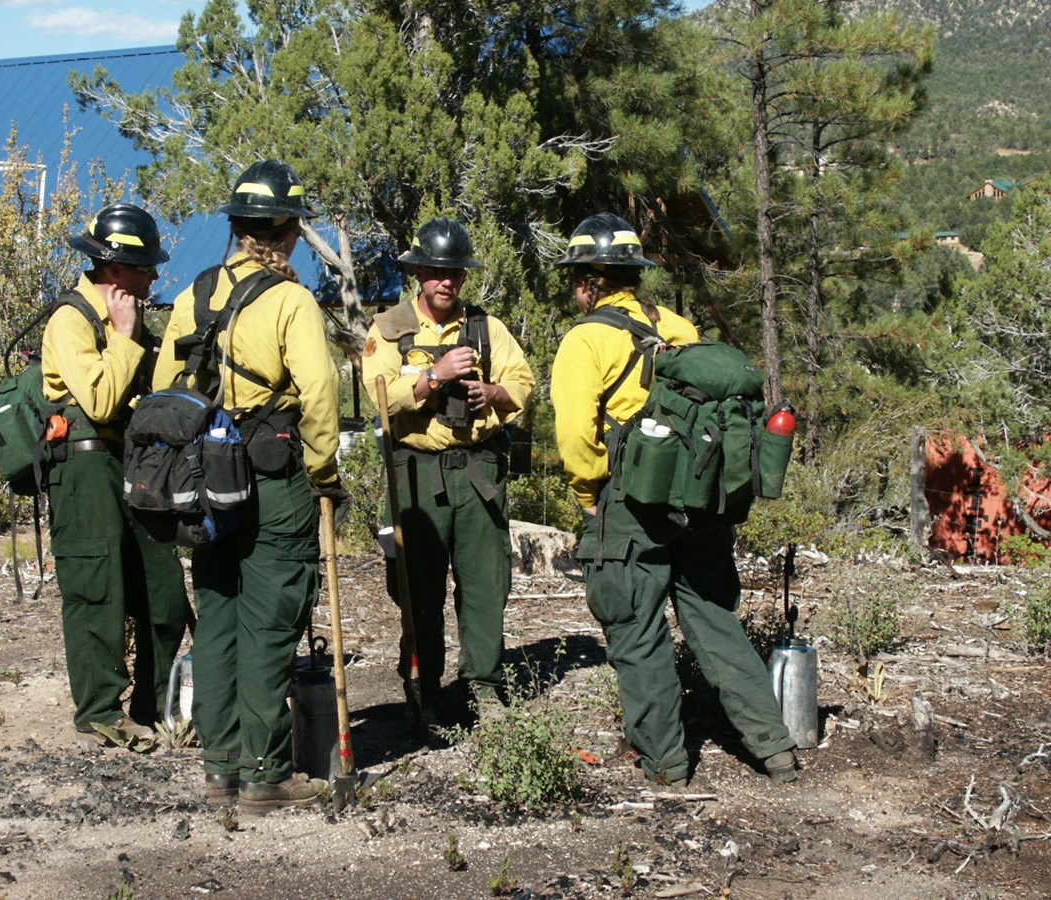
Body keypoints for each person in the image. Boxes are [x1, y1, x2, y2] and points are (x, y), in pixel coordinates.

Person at [549, 212, 798, 785]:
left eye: (575, 279)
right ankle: (773, 746)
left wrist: (590, 496)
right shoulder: (680, 328)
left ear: (588, 280)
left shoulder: (585, 339)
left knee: (636, 630)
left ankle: (666, 763)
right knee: (715, 620)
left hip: (631, 504)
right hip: (701, 501)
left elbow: (575, 437)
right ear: (633, 274)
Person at [153, 160, 343, 815]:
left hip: (204, 480)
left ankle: (220, 766)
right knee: (269, 620)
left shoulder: (191, 294)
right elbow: (318, 394)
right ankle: (265, 772)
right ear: (288, 231)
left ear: (237, 228)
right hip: (270, 475)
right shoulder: (290, 300)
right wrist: (325, 476)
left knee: (218, 616)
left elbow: (164, 394)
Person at [361, 217, 535, 723]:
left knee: (486, 582)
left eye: (455, 273)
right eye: (437, 271)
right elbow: (379, 396)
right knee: (418, 586)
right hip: (416, 472)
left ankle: (482, 682)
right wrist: (432, 379)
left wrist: (495, 393)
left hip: (479, 471)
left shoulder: (486, 327)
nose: (446, 281)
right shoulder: (389, 329)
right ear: (417, 271)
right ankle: (423, 683)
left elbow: (521, 381)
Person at [42, 203, 190, 751]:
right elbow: (101, 402)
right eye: (145, 266)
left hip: (132, 465)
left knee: (165, 591)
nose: (153, 275)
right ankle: (101, 714)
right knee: (96, 593)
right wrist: (127, 336)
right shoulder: (70, 319)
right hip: (83, 469)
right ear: (114, 269)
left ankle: (151, 706)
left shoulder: (132, 319)